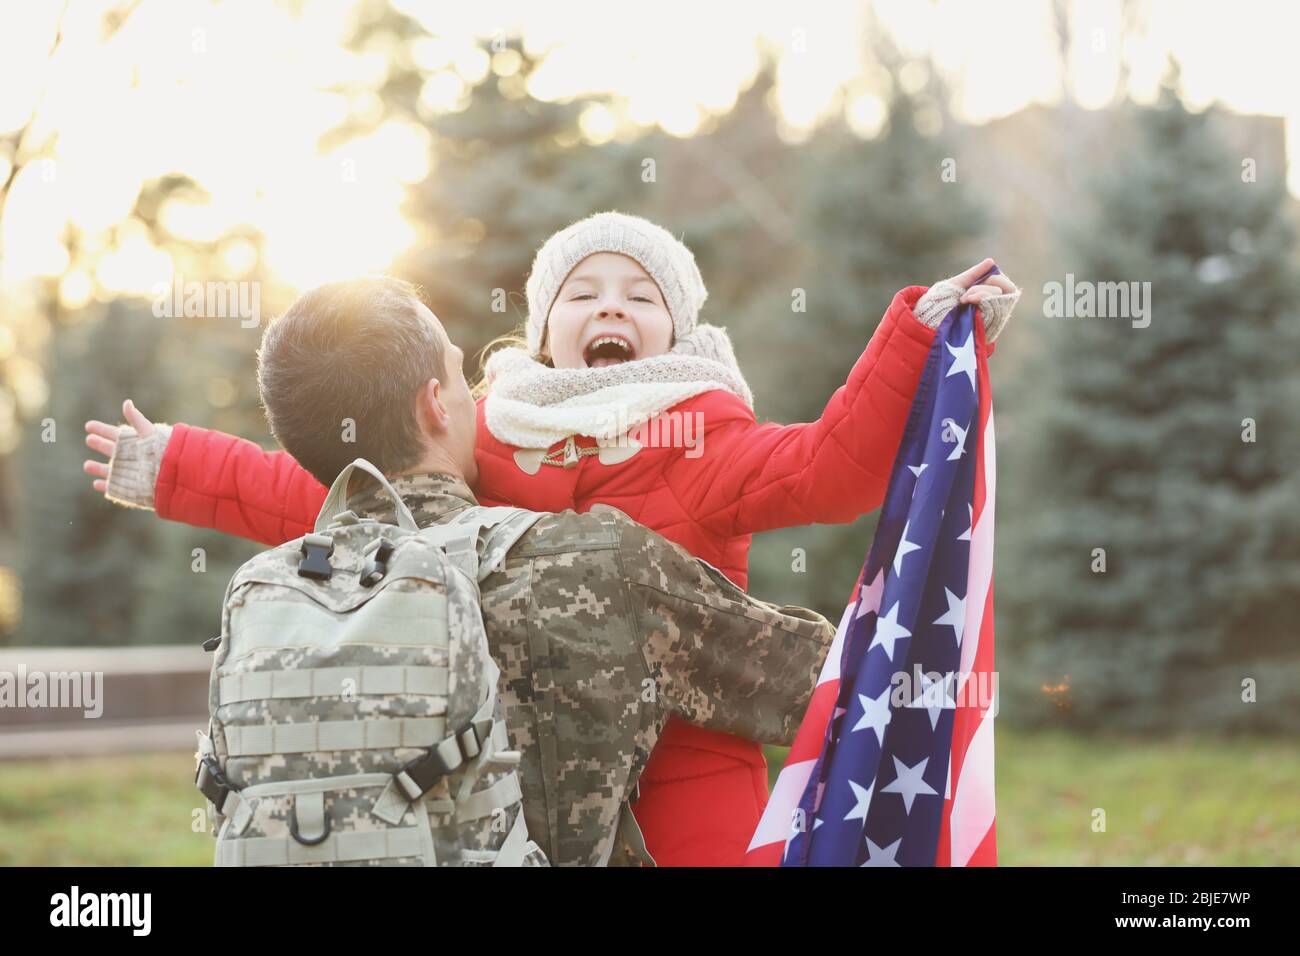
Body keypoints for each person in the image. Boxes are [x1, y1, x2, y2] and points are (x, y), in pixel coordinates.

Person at [85, 213, 1019, 865]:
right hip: (529, 774)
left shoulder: (701, 434)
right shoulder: (487, 432)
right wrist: (172, 467)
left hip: (687, 772)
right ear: (541, 330)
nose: (610, 306)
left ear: (679, 334)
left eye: (639, 295)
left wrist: (921, 340)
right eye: (583, 292)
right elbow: (317, 491)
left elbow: (829, 466)